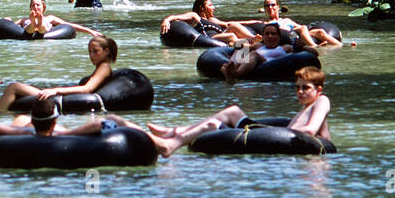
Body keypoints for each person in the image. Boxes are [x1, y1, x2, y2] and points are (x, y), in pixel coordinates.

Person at [141, 67, 331, 158]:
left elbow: (310, 130)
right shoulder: (307, 106)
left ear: (318, 89)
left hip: (292, 141)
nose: (300, 92)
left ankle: (172, 143)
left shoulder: (321, 101)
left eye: (305, 88)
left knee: (212, 125)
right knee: (233, 111)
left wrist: (284, 134)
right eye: (298, 88)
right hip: (275, 135)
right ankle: (176, 131)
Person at [0, 35, 117, 112]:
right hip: (69, 99)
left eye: (95, 51)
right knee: (16, 90)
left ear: (106, 51)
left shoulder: (104, 67)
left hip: (67, 100)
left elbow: (87, 89)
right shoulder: (101, 67)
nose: (91, 55)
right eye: (89, 52)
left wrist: (55, 90)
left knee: (13, 87)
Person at [228, 0, 351, 48]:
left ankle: (342, 46)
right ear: (264, 9)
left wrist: (308, 31)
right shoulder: (263, 23)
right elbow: (243, 22)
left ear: (277, 6)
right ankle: (315, 47)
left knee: (319, 31)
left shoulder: (286, 19)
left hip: (295, 33)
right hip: (285, 35)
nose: (270, 7)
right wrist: (218, 23)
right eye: (267, 6)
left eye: (272, 5)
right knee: (302, 29)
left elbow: (303, 27)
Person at [0, 96, 133, 138]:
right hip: (60, 135)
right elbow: (97, 125)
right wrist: (66, 133)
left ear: (33, 121)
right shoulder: (62, 134)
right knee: (113, 118)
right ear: (55, 121)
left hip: (32, 132)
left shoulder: (25, 133)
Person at [220, 22, 316, 83]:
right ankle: (230, 68)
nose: (269, 36)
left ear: (278, 37)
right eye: (267, 34)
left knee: (254, 54)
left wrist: (301, 47)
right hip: (255, 66)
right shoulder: (259, 46)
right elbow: (241, 47)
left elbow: (314, 53)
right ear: (263, 37)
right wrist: (239, 43)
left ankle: (236, 74)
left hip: (269, 65)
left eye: (273, 34)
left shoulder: (285, 48)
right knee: (242, 47)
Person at [161, 0, 241, 45]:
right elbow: (176, 17)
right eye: (210, 5)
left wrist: (252, 22)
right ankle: (242, 59)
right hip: (210, 38)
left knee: (235, 27)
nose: (213, 8)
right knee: (231, 36)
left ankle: (252, 43)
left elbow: (229, 24)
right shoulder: (195, 16)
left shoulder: (212, 19)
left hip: (221, 36)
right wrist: (166, 20)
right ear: (202, 8)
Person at [11, 0, 100, 37]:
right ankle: (34, 23)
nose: (35, 7)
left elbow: (69, 25)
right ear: (30, 7)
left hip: (44, 30)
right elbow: (11, 27)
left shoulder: (50, 18)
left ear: (43, 7)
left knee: (44, 26)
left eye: (38, 5)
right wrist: (7, 20)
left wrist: (90, 31)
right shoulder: (24, 19)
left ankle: (39, 22)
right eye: (33, 5)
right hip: (28, 31)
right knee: (28, 25)